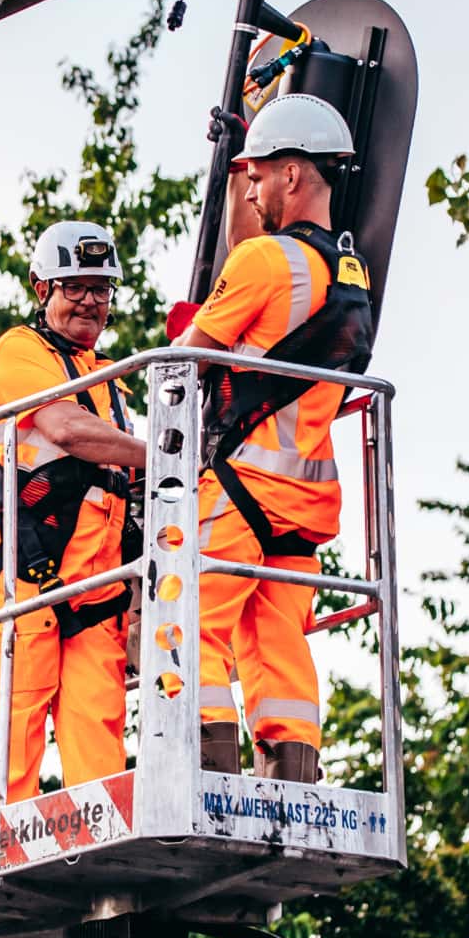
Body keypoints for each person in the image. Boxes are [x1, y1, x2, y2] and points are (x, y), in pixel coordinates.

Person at [179, 93, 373, 785]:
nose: (254, 190)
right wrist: (236, 168)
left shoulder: (263, 264)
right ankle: (291, 774)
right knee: (276, 643)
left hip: (240, 493)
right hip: (304, 504)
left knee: (187, 623)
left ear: (292, 175)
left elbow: (187, 358)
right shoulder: (350, 277)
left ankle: (202, 770)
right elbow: (252, 257)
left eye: (260, 176)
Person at [0, 221, 149, 805]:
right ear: (41, 287)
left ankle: (102, 840)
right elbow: (68, 431)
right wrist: (166, 453)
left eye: (102, 288)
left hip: (97, 585)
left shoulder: (109, 380)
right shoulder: (19, 352)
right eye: (76, 286)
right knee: (18, 713)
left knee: (98, 723)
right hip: (28, 573)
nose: (91, 301)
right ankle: (3, 838)